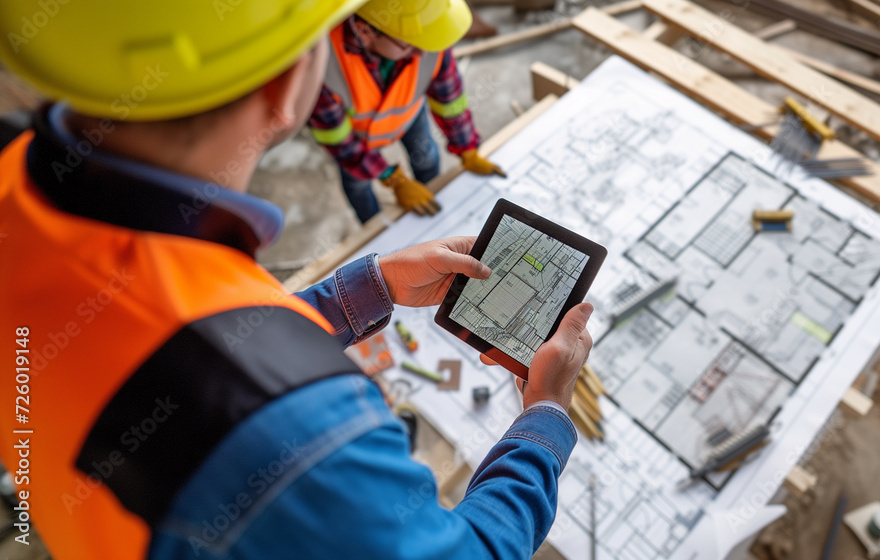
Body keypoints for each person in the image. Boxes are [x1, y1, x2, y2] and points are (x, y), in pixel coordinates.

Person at [0, 1, 592, 559]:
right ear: (286, 88)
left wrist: (373, 287)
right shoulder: (307, 433)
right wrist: (546, 414)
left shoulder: (13, 170)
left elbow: (196, 335)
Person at [309, 0, 506, 222]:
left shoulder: (428, 36)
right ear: (365, 31)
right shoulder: (321, 63)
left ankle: (432, 206)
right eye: (410, 45)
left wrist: (466, 148)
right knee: (358, 185)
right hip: (356, 137)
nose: (423, 53)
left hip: (409, 114)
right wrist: (394, 180)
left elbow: (450, 99)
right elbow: (340, 142)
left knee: (426, 157)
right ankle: (374, 226)